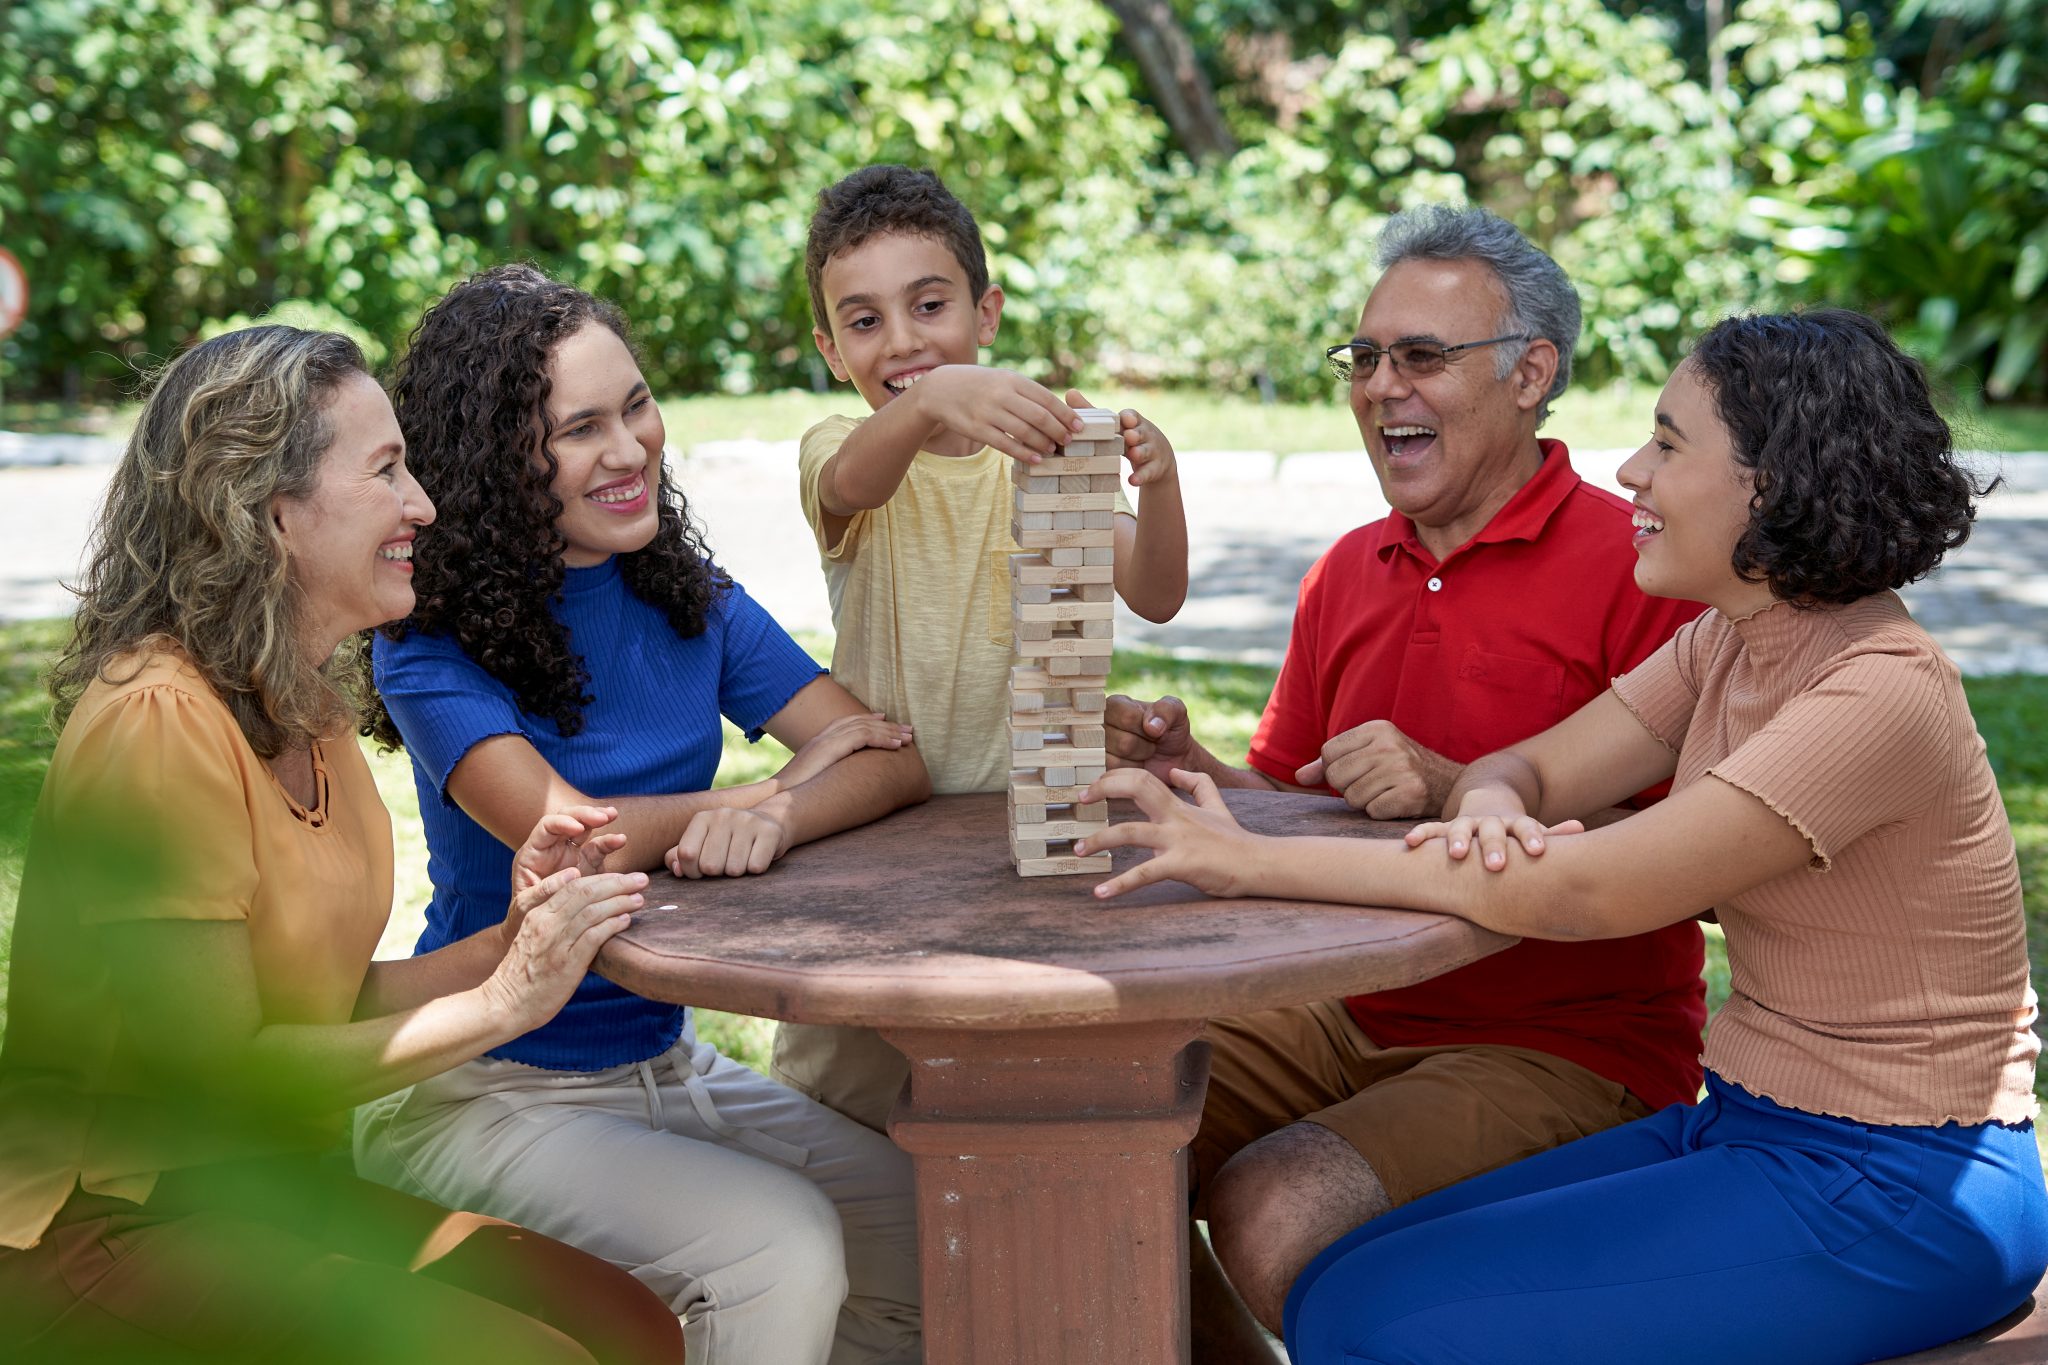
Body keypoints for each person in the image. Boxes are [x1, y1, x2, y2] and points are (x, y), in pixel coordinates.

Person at [1084, 308, 2048, 1364]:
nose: (1631, 470)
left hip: (1897, 1182)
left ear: (1768, 483)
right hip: (1744, 1126)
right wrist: (1493, 803)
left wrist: (1247, 860)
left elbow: (1591, 891)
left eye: (1669, 445)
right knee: (1346, 1275)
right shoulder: (1730, 643)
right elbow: (1534, 766)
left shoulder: (1876, 692)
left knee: (1374, 1319)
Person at [0, 325, 683, 1365]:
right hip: (104, 1224)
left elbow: (305, 1001)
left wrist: (510, 940)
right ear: (271, 514)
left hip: (267, 1190)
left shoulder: (304, 706)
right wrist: (501, 1009)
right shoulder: (158, 722)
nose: (423, 506)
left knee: (627, 1328)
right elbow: (226, 1076)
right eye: (386, 472)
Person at [1104, 203, 1705, 1343]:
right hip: (1340, 1008)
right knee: (1083, 1132)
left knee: (1273, 1206)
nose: (1381, 386)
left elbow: (1698, 866)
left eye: (1422, 356)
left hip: (1568, 1043)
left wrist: (1454, 783)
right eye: (1365, 357)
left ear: (1530, 373)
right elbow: (1293, 809)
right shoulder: (1345, 569)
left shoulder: (1641, 565)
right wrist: (1193, 769)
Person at [354, 265, 927, 1365]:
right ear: (495, 461)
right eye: (578, 430)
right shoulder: (426, 647)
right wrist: (761, 791)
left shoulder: (684, 595)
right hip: (490, 1085)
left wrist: (780, 815)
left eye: (635, 407)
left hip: (668, 1066)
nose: (627, 450)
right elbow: (571, 833)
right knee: (779, 1249)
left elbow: (882, 761)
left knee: (930, 1224)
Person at [773, 163, 1191, 1132]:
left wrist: (1158, 484)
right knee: (854, 1091)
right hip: (877, 836)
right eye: (865, 321)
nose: (905, 341)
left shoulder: (1037, 452)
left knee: (1014, 1086)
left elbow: (1156, 593)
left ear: (985, 311)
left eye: (929, 305)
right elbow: (854, 480)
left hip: (1033, 831)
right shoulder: (837, 444)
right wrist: (932, 402)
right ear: (830, 349)